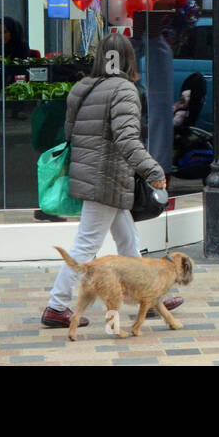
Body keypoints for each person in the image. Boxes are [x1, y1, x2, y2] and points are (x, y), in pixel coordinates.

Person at [41, 32, 174, 330]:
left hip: (96, 176)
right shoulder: (124, 90)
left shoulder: (81, 88)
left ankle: (150, 299)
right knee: (86, 246)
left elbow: (70, 133)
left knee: (128, 241)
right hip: (107, 180)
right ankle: (56, 305)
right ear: (128, 59)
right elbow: (127, 140)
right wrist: (153, 171)